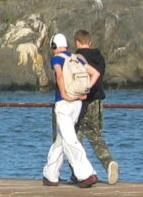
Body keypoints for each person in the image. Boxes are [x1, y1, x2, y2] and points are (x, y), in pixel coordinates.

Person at [42, 32, 100, 188]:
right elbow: (95, 73)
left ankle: (87, 174)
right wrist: (84, 91)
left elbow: (59, 76)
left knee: (69, 140)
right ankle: (50, 174)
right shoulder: (77, 58)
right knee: (61, 140)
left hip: (64, 103)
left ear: (54, 46)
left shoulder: (57, 58)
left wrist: (64, 95)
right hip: (77, 103)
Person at [74, 29, 119, 184]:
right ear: (90, 42)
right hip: (98, 100)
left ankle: (77, 173)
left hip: (81, 101)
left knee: (75, 138)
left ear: (77, 43)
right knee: (95, 136)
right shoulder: (99, 57)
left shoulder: (77, 58)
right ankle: (109, 163)